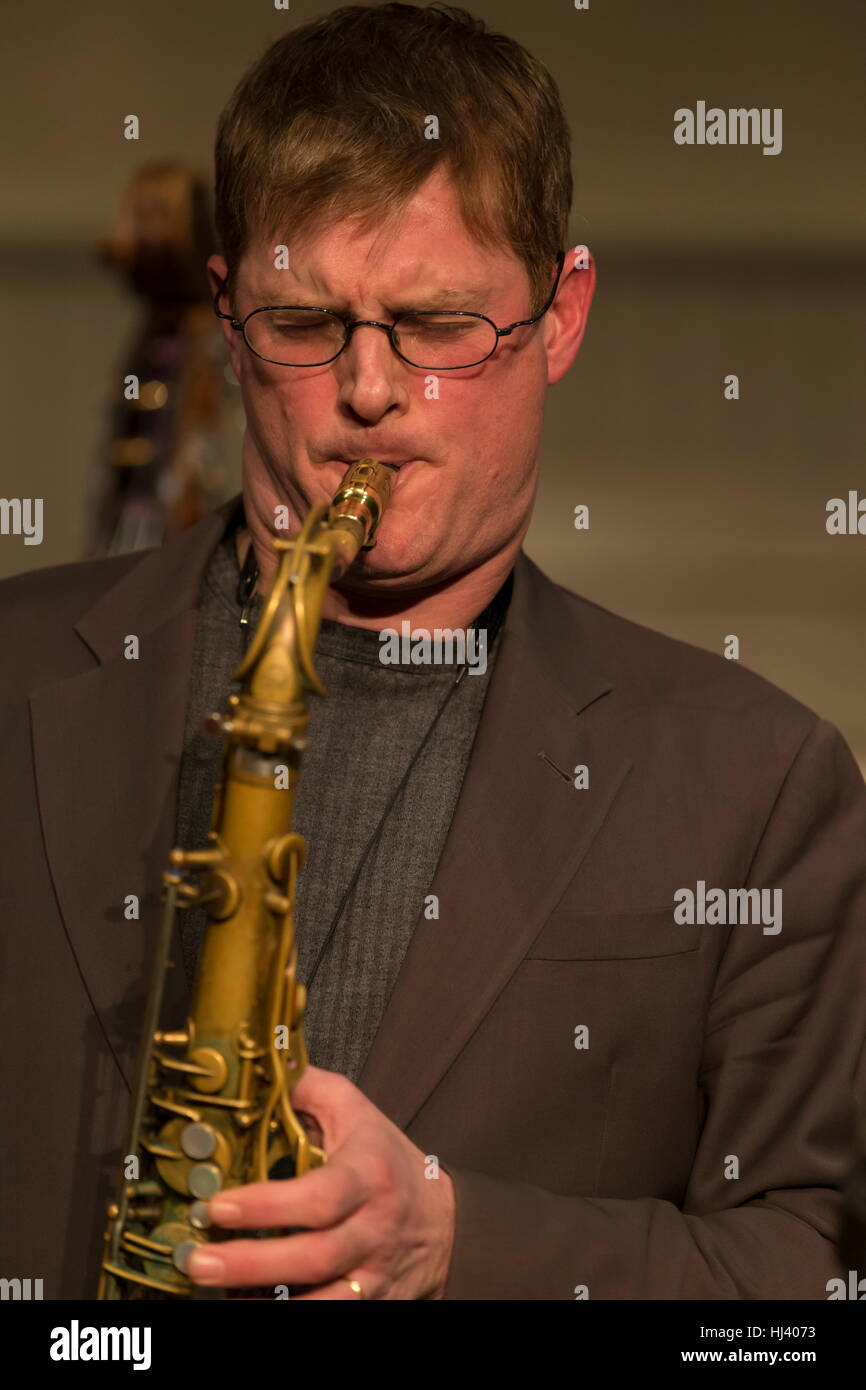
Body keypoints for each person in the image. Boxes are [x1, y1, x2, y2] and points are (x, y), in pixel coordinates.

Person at [2, 2, 864, 1301]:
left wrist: (458, 1243)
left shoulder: (754, 781)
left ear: (561, 315)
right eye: (305, 324)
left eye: (438, 324)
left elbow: (804, 1283)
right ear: (227, 316)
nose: (368, 392)